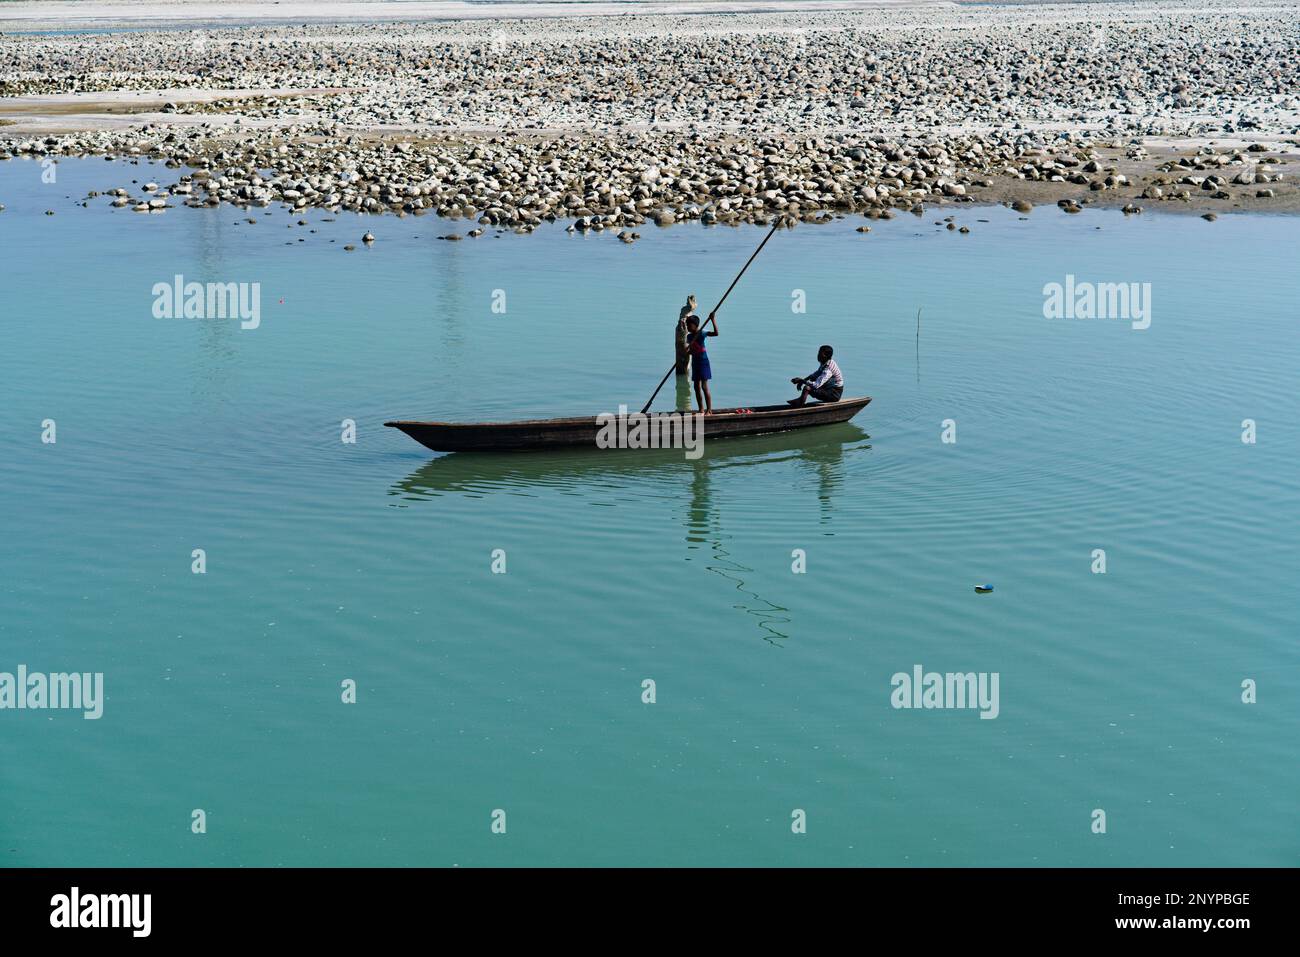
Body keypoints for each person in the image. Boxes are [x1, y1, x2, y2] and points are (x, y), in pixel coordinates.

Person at [686, 311, 719, 413]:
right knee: (696, 387)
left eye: (689, 325)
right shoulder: (689, 337)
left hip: (703, 362)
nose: (687, 327)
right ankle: (701, 409)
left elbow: (716, 333)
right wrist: (686, 352)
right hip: (695, 363)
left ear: (695, 325)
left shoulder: (702, 333)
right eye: (687, 325)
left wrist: (713, 319)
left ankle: (709, 410)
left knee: (704, 387)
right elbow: (692, 351)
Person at [675, 295, 696, 376]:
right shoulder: (685, 310)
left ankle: (684, 372)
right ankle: (683, 372)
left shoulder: (687, 311)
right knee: (683, 352)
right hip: (682, 330)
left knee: (685, 357)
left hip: (684, 330)